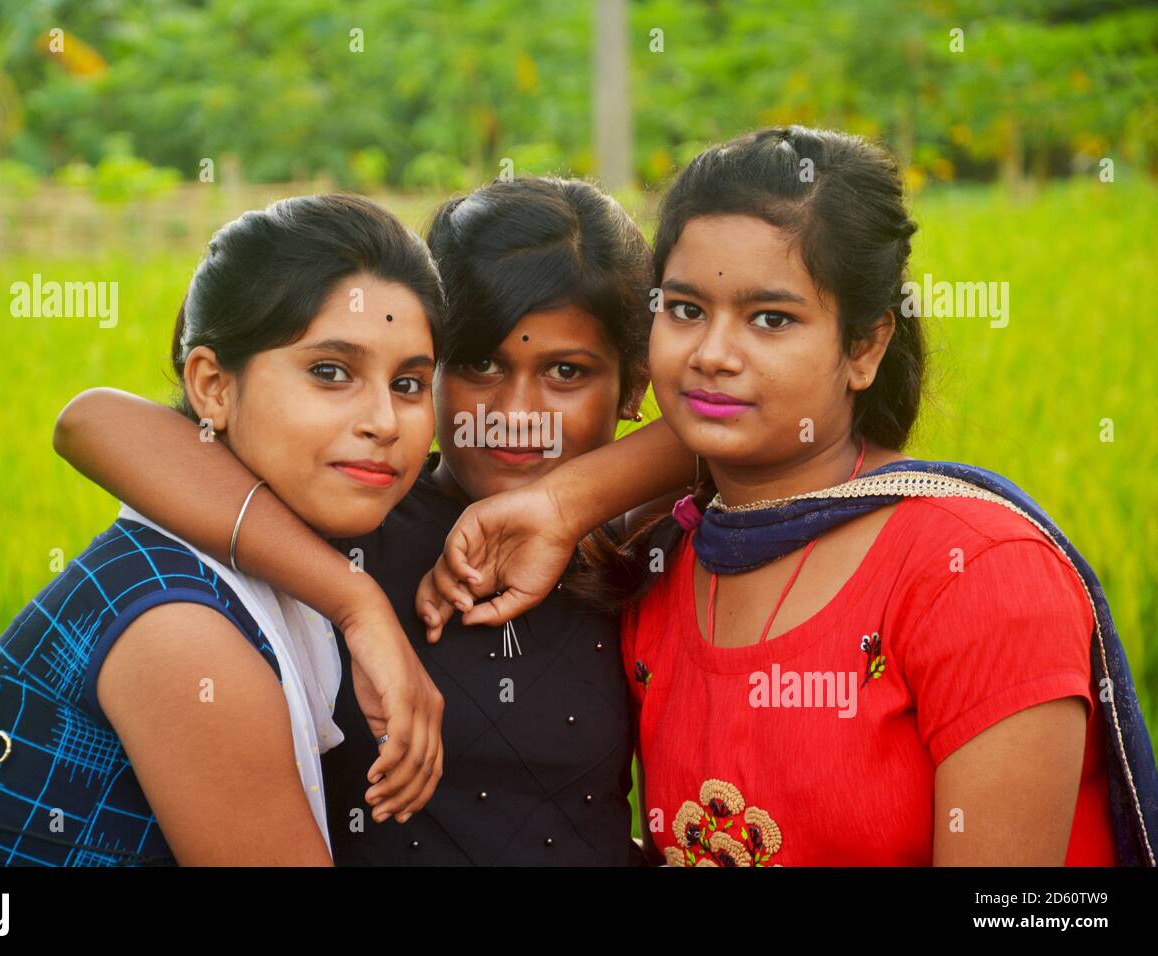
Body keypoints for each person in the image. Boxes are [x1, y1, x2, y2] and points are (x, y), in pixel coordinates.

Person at [415, 127, 1158, 867]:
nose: (712, 353)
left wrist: (567, 499)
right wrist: (565, 505)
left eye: (771, 319)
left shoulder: (975, 572)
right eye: (685, 309)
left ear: (864, 348)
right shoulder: (660, 567)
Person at [51, 177, 661, 864]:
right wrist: (356, 602)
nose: (515, 412)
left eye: (567, 372)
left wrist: (568, 504)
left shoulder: (641, 544)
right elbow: (90, 423)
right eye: (477, 363)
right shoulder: (351, 515)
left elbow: (784, 418)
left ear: (634, 384)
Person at [0, 194, 445, 866]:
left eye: (411, 383)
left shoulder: (272, 561)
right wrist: (359, 604)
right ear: (212, 386)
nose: (385, 421)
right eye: (331, 373)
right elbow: (88, 418)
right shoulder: (184, 631)